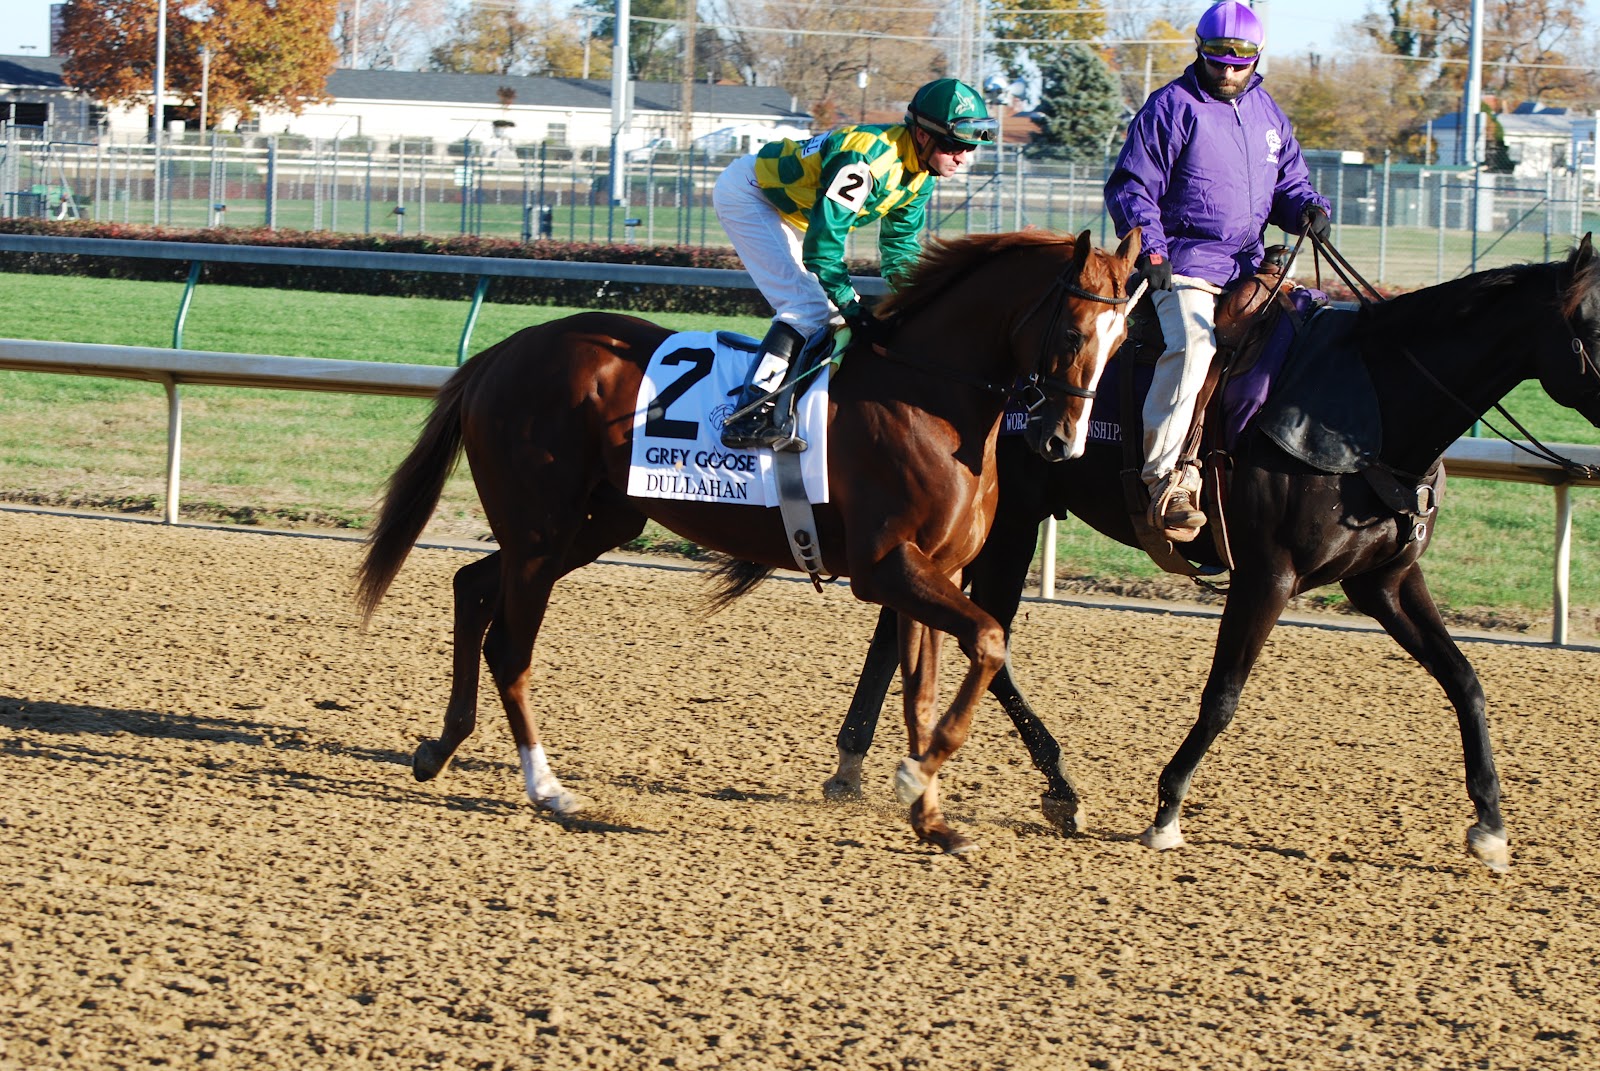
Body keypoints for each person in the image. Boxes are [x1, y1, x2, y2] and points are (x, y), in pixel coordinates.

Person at [1105, 0, 1331, 541]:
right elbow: (1132, 187)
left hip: (1250, 265)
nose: (1228, 72)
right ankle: (1166, 480)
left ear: (1256, 57)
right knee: (1194, 347)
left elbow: (1289, 183)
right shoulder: (1171, 106)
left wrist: (1308, 207)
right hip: (1184, 263)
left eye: (1239, 62)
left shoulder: (1268, 113)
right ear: (1200, 51)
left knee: (1316, 330)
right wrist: (1152, 251)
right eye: (1217, 60)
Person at [713, 77, 996, 450]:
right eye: (953, 145)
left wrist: (918, 302)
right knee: (808, 307)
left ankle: (803, 408)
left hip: (794, 211)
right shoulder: (865, 160)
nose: (963, 157)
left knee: (831, 317)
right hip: (751, 194)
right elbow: (822, 248)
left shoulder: (922, 174)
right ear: (922, 135)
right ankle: (750, 414)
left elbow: (899, 248)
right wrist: (852, 305)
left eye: (969, 147)